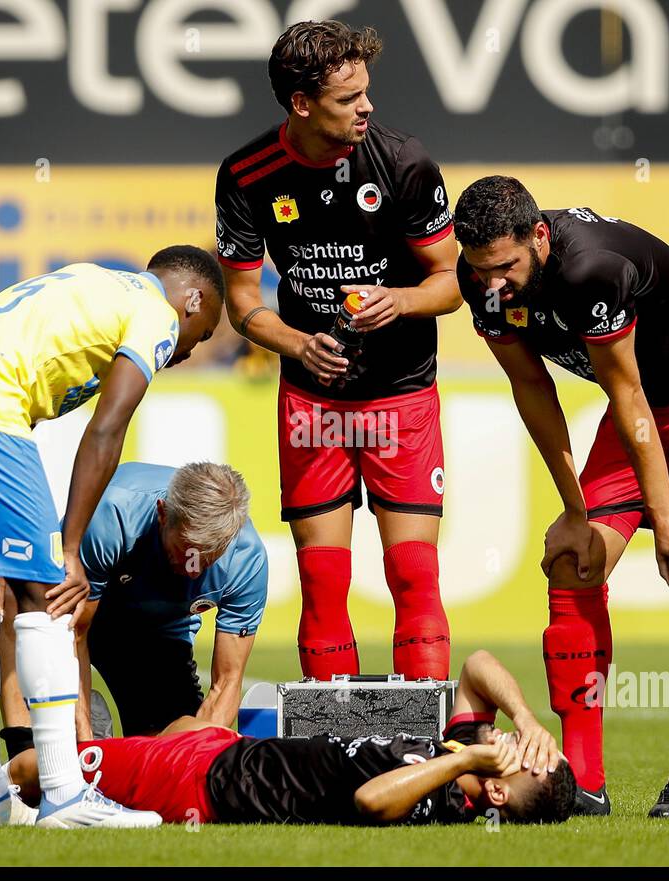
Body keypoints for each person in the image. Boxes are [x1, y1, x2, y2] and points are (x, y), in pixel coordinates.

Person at [452, 178, 669, 818]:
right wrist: (576, 511)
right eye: (481, 269)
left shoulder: (591, 271)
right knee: (576, 562)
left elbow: (626, 396)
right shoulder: (482, 280)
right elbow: (532, 389)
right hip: (647, 403)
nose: (495, 284)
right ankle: (585, 781)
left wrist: (665, 520)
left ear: (539, 237)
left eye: (507, 267)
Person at [0, 249, 223, 828]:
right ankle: (67, 796)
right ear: (192, 300)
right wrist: (69, 550)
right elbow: (108, 427)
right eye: (204, 330)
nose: (189, 350)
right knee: (46, 598)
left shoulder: (92, 282)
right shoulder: (156, 314)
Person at [215, 20, 463, 682]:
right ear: (302, 104)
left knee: (413, 575)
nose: (368, 107)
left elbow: (450, 281)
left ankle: (428, 758)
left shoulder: (403, 163)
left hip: (402, 393)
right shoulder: (246, 175)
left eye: (367, 92)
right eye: (349, 97)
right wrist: (299, 345)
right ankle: (335, 753)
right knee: (323, 585)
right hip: (312, 402)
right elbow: (243, 304)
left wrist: (400, 300)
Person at [0, 650, 574, 827]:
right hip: (214, 749)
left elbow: (373, 801)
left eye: (520, 756)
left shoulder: (443, 797)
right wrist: (532, 723)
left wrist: (470, 758)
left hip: (203, 786)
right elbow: (476, 666)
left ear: (500, 789)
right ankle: (4, 812)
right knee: (44, 773)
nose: (506, 740)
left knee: (35, 767)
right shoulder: (466, 756)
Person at [0, 461, 266, 755]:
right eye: (186, 548)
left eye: (208, 556)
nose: (194, 569)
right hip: (90, 611)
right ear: (163, 514)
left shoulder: (247, 560)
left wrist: (198, 759)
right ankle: (25, 749)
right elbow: (74, 633)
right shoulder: (111, 515)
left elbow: (226, 682)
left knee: (172, 752)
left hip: (159, 634)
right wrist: (87, 744)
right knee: (19, 599)